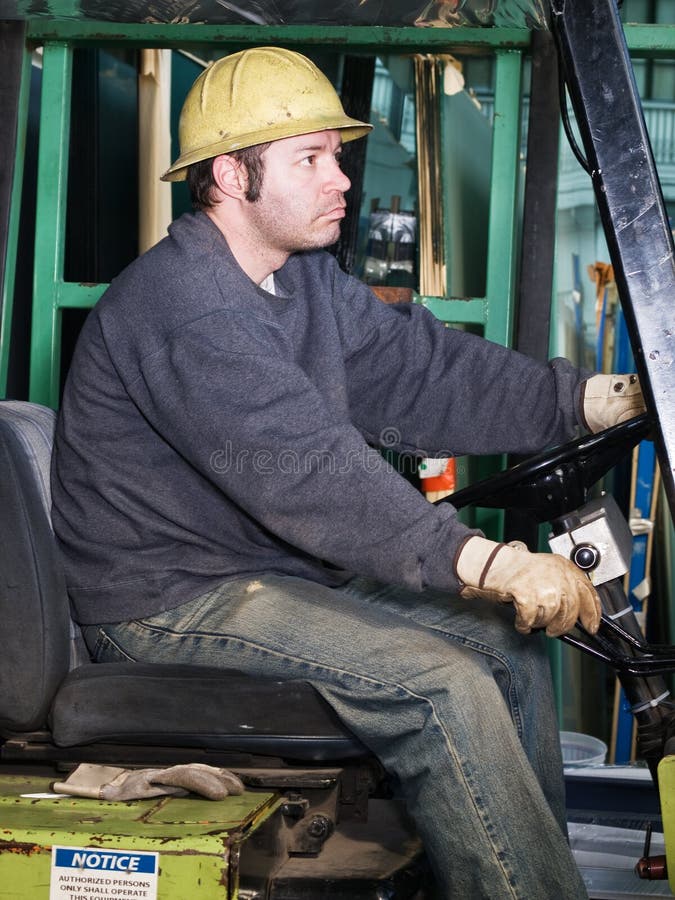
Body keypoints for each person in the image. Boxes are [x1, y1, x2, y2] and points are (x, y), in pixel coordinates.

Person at [51, 47, 646, 898]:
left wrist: (594, 401)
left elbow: (425, 373)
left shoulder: (300, 281)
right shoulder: (184, 307)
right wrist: (486, 562)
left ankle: (525, 872)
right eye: (311, 158)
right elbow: (310, 473)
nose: (340, 177)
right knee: (440, 685)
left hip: (261, 576)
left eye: (336, 154)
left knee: (505, 646)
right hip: (165, 602)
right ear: (231, 174)